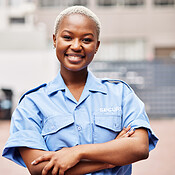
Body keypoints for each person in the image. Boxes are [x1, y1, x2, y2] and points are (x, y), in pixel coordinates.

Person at [2, 6, 158, 175]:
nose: (76, 46)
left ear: (97, 46)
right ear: (54, 40)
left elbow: (140, 147)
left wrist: (77, 152)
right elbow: (39, 168)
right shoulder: (32, 103)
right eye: (67, 37)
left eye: (86, 40)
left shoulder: (120, 95)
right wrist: (108, 160)